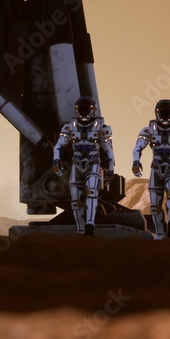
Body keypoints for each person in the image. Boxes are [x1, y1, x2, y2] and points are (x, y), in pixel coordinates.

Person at [53, 96, 116, 236]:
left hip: (93, 164)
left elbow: (108, 149)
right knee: (75, 200)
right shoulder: (69, 127)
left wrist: (111, 168)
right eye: (81, 110)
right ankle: (81, 229)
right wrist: (56, 159)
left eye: (86, 109)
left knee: (91, 193)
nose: (83, 112)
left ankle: (90, 223)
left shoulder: (101, 127)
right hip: (77, 164)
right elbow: (59, 145)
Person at [132, 99, 170, 240]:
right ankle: (161, 233)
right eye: (163, 113)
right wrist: (136, 161)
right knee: (155, 205)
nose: (165, 116)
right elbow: (138, 147)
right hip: (158, 168)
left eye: (167, 113)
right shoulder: (149, 130)